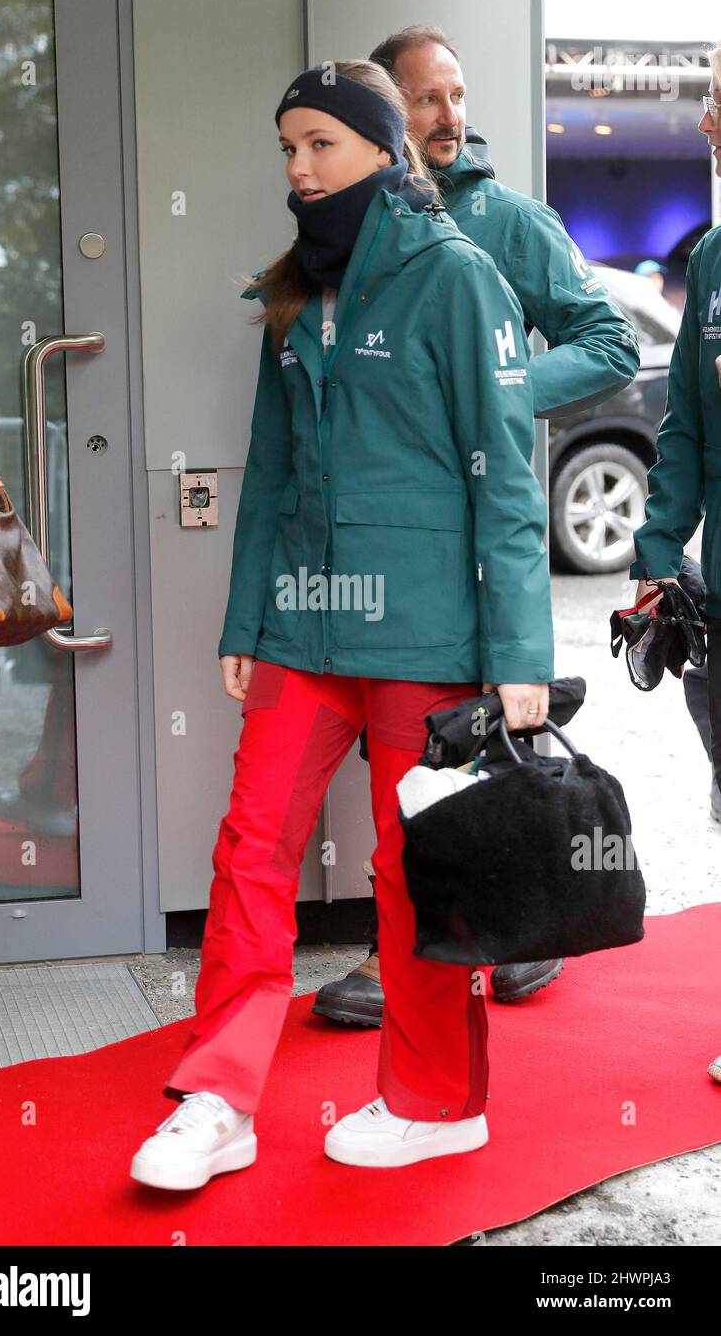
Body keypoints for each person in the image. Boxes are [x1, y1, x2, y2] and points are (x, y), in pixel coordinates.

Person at [130, 58, 554, 1190]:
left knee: (412, 864)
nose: (298, 168)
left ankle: (434, 1103)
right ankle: (217, 1099)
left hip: (422, 633)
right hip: (297, 636)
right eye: (286, 148)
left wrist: (516, 653)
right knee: (250, 841)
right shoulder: (293, 290)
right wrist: (245, 615)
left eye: (319, 144)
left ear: (380, 149)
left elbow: (505, 481)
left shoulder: (454, 279)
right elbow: (269, 470)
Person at [315, 23, 640, 1025]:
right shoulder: (343, 227)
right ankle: (399, 940)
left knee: (491, 730)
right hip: (383, 545)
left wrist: (495, 394)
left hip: (484, 529)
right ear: (383, 121)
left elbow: (610, 342)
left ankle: (518, 928)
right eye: (425, 99)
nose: (451, 115)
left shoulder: (510, 221)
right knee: (399, 744)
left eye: (457, 95)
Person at [625, 43, 721, 1085]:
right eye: (705, 104)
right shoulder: (713, 264)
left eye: (720, 105)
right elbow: (686, 427)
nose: (705, 124)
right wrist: (658, 550)